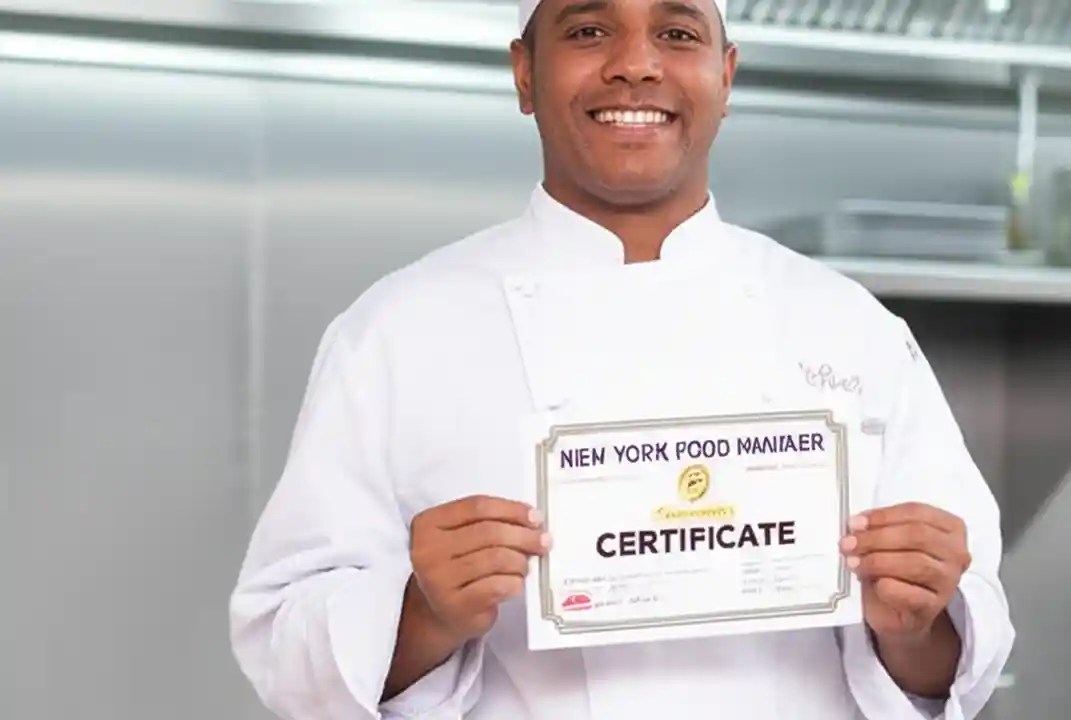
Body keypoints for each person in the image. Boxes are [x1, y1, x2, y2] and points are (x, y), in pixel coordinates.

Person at [228, 0, 1015, 717]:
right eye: (588, 30)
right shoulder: (397, 332)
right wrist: (421, 613)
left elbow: (955, 655)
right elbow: (282, 643)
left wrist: (917, 621)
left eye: (677, 33)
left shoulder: (853, 329)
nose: (636, 63)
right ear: (525, 74)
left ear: (725, 76)